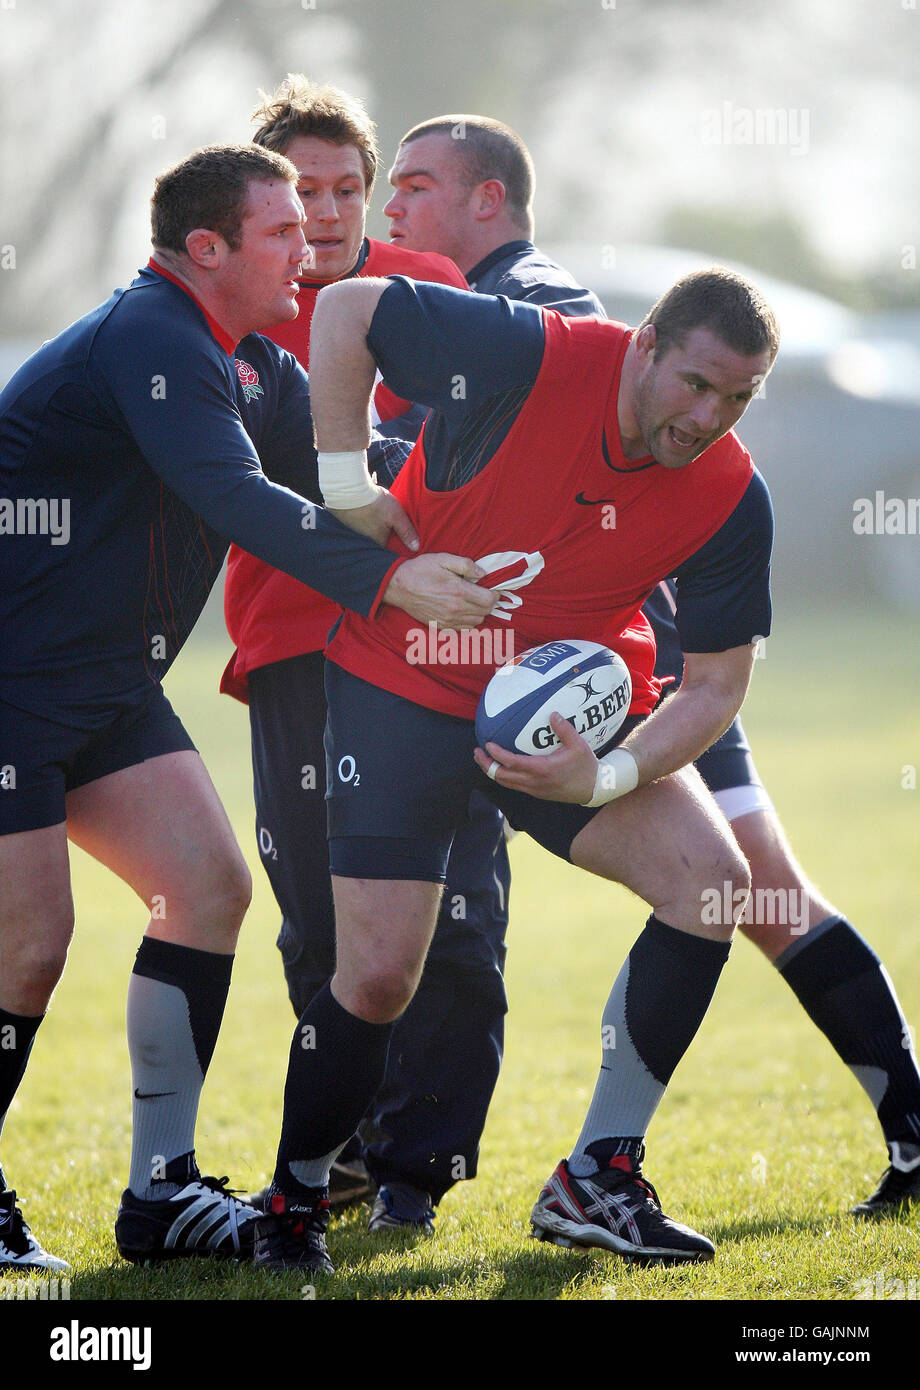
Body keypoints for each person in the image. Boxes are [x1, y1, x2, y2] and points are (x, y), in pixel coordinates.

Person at [384, 114, 920, 1220]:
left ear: (487, 199)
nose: (395, 212)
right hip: (605, 664)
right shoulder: (506, 303)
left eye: (416, 188)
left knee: (755, 886)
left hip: (624, 668)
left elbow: (610, 466)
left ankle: (897, 1133)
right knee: (750, 889)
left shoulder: (532, 304)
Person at [0, 142, 491, 1272]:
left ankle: (162, 1196)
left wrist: (480, 499)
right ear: (206, 248)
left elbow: (340, 470)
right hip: (13, 689)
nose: (310, 243)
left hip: (103, 692)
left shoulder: (251, 359)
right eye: (280, 231)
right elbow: (234, 493)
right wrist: (386, 577)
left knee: (205, 892)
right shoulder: (153, 339)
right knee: (27, 950)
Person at [252, 262, 780, 1275]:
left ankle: (598, 1175)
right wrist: (344, 485)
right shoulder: (531, 353)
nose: (709, 415)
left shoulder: (725, 492)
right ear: (644, 347)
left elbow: (713, 686)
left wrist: (609, 776)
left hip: (550, 725)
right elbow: (351, 312)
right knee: (375, 974)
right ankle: (294, 1198)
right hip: (398, 683)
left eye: (736, 397)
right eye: (695, 383)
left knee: (711, 883)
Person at [217, 77, 513, 1230]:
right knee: (322, 926)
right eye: (304, 191)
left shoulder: (433, 291)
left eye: (351, 187)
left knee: (457, 921)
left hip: (435, 651)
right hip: (292, 642)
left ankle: (417, 1176)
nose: (331, 212)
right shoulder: (229, 313)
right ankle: (329, 1157)